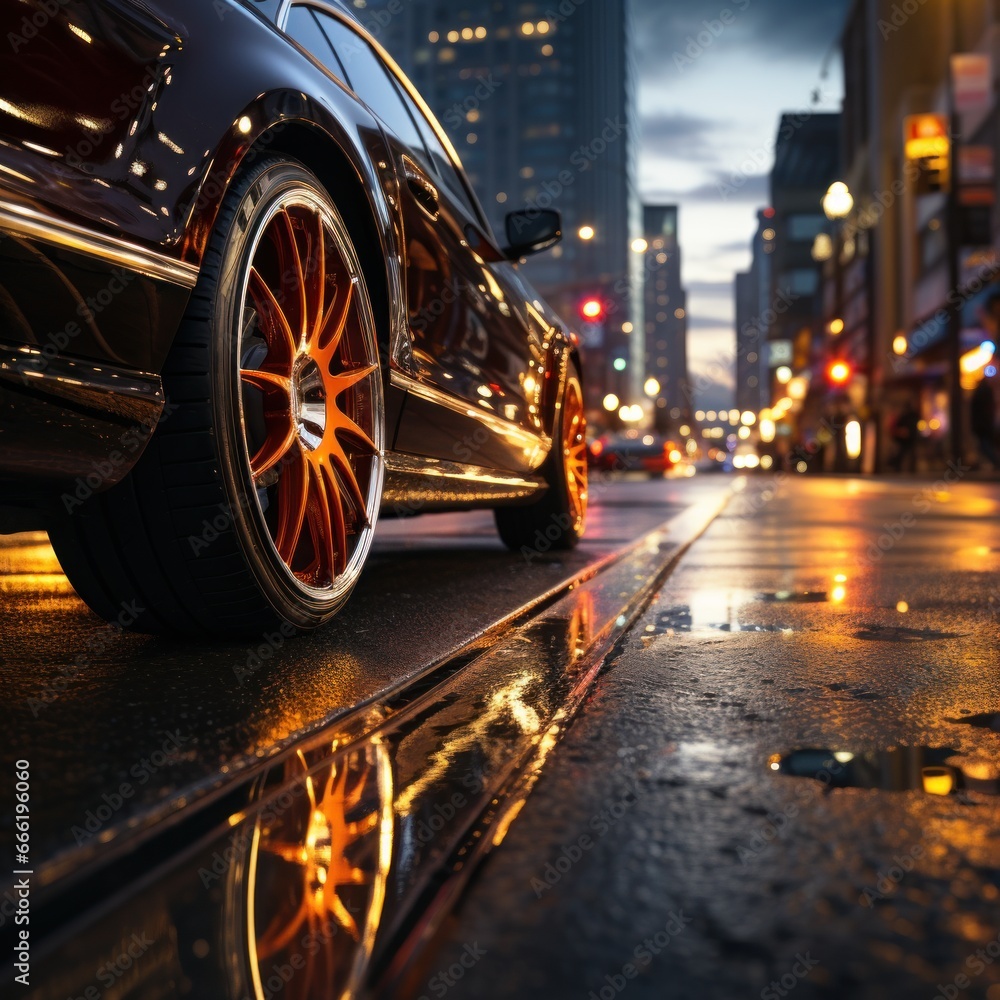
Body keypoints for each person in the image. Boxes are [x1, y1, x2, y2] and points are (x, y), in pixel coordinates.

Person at [970, 374, 998, 470]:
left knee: (984, 445)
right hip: (985, 424)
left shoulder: (981, 391)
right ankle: (995, 462)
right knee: (984, 445)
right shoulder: (986, 391)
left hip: (982, 424)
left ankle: (996, 462)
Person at [888, 399, 921, 472]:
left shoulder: (910, 416)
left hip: (908, 439)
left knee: (907, 454)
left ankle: (906, 470)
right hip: (907, 439)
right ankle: (902, 469)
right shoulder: (911, 416)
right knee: (905, 454)